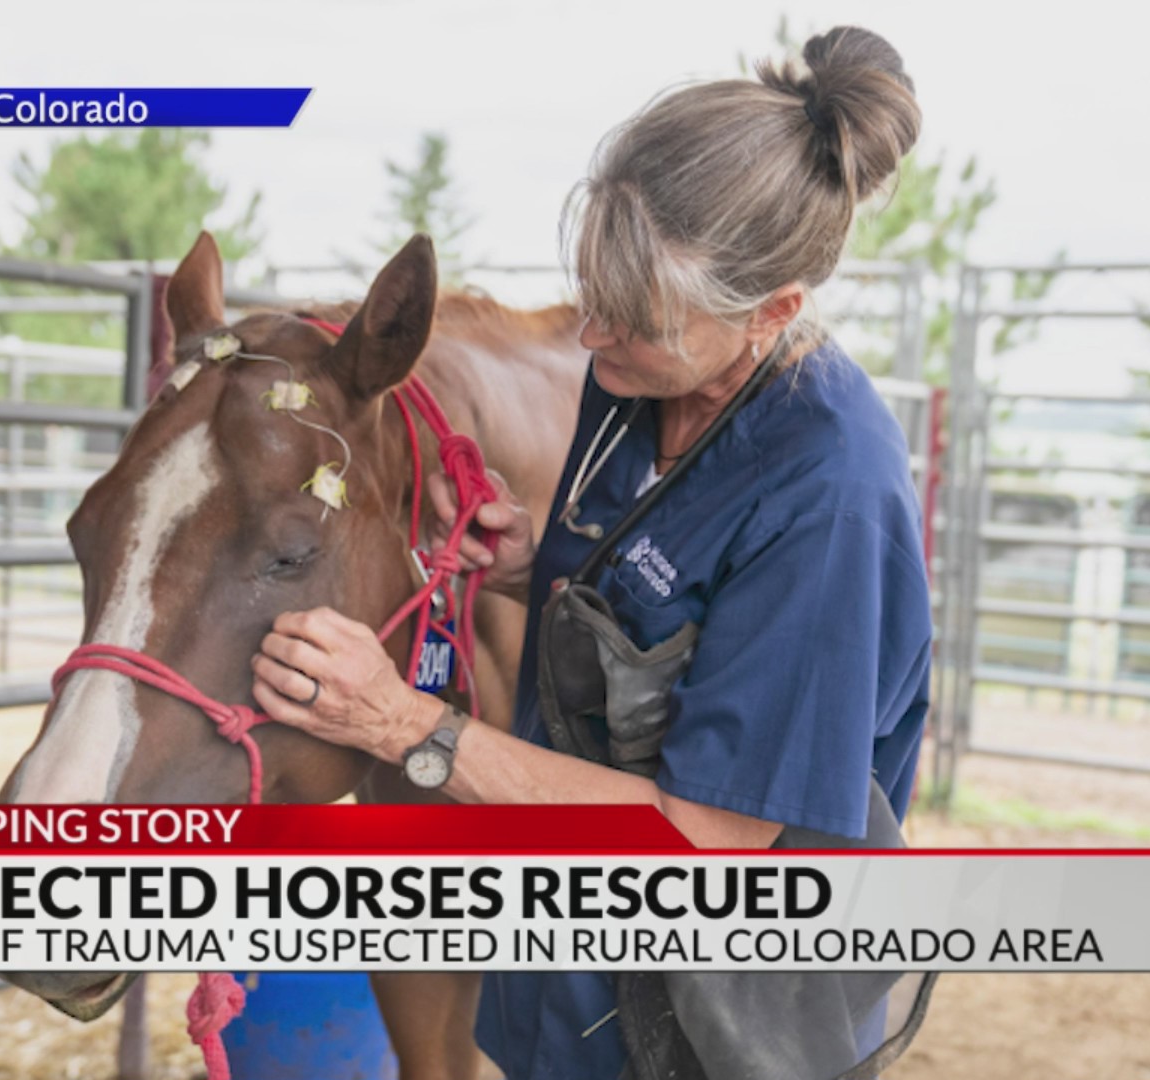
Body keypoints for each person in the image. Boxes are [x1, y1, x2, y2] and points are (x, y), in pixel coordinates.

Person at [249, 25, 933, 1080]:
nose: (594, 339)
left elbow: (707, 835)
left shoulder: (829, 497)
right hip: (576, 982)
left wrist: (400, 722)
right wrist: (536, 566)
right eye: (593, 297)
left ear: (774, 313)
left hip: (708, 1014)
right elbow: (678, 605)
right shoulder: (637, 387)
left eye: (638, 320)